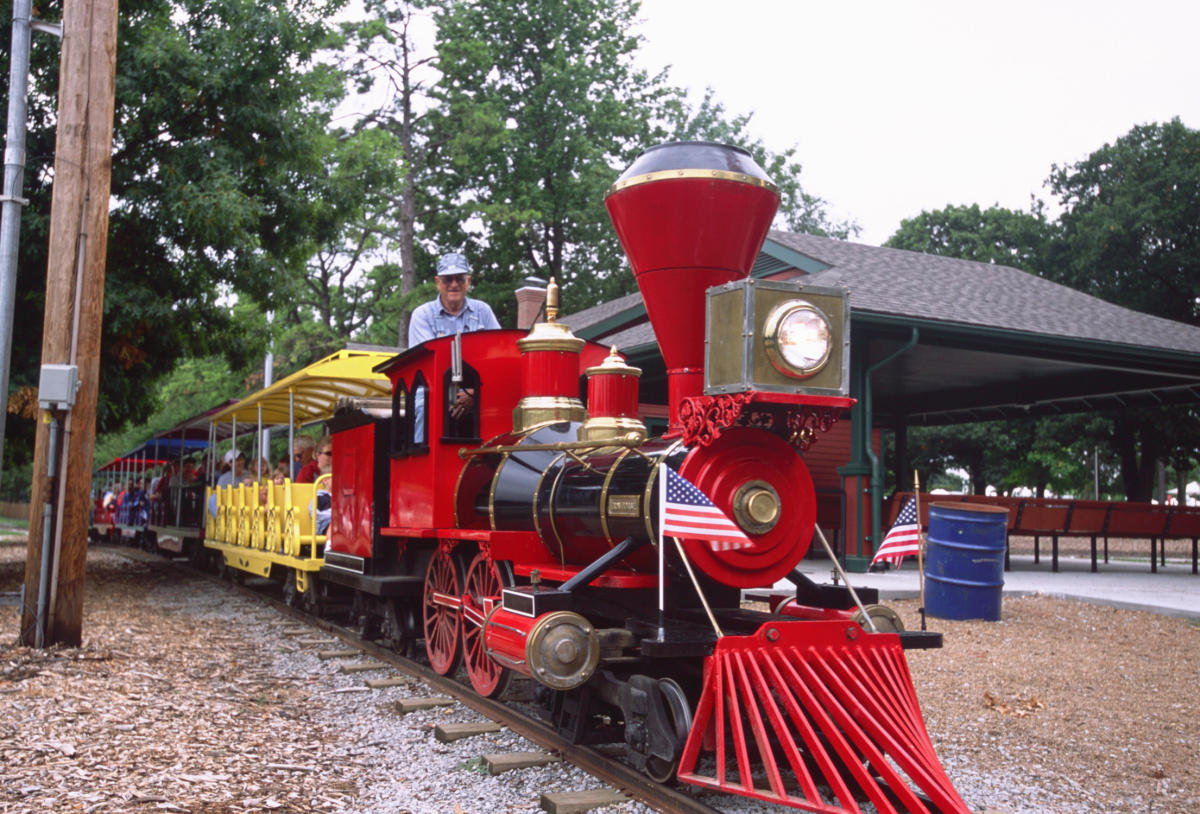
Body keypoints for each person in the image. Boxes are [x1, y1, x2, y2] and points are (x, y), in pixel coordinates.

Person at [408, 253, 500, 435]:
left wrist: (474, 393)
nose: (454, 284)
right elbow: (426, 366)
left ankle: (498, 458)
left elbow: (499, 357)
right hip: (432, 390)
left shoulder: (484, 311)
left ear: (468, 282)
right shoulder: (422, 315)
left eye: (459, 278)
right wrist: (454, 396)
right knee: (422, 407)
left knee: (504, 408)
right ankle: (422, 460)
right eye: (447, 279)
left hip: (478, 391)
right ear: (437, 282)